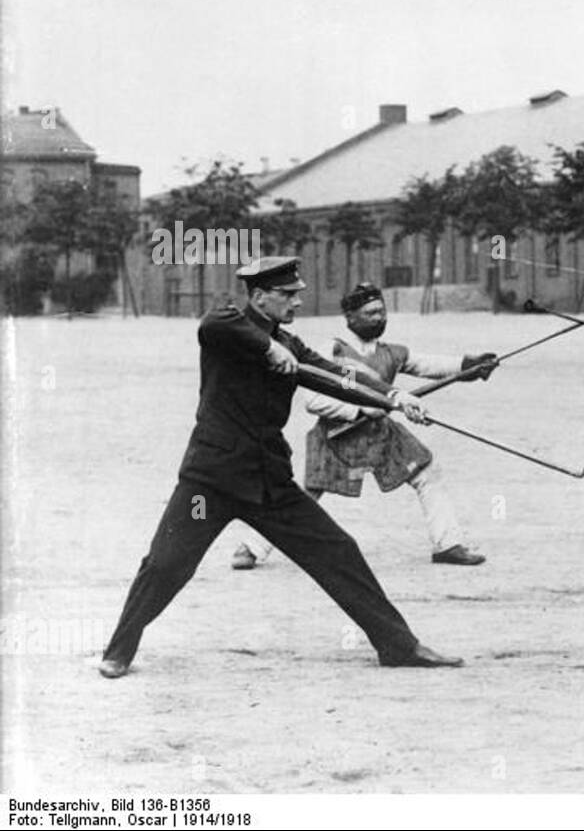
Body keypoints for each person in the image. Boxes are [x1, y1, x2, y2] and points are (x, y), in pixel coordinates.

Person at [98, 257, 464, 679]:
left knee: (338, 551)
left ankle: (398, 646)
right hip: (209, 483)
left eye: (298, 293)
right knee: (166, 565)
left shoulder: (292, 344)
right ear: (259, 296)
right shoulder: (228, 329)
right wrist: (265, 346)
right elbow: (211, 322)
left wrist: (394, 397)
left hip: (269, 484)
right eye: (288, 294)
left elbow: (338, 374)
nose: (298, 300)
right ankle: (118, 650)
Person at [230, 282, 497, 570]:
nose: (379, 318)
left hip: (381, 434)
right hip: (336, 437)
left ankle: (448, 545)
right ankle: (252, 548)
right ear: (351, 317)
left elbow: (427, 364)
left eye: (382, 312)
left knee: (428, 473)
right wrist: (359, 409)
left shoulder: (393, 353)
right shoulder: (332, 349)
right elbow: (313, 402)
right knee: (306, 493)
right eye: (370, 313)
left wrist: (469, 365)